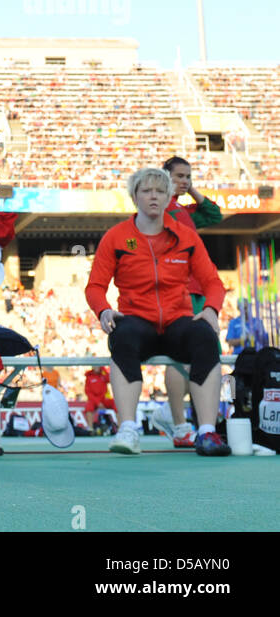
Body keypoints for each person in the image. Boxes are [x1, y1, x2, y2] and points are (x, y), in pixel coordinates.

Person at [85, 167, 230, 456]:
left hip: (178, 320)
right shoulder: (116, 238)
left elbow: (213, 282)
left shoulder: (186, 237)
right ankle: (127, 430)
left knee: (204, 336)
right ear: (135, 196)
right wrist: (103, 311)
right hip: (138, 321)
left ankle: (206, 432)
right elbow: (95, 287)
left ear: (168, 198)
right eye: (147, 191)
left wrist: (212, 309)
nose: (154, 196)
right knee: (122, 336)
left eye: (160, 191)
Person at [156, 156, 224, 444]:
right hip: (179, 287)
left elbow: (214, 215)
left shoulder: (181, 210)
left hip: (195, 287)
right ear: (164, 178)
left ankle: (181, 418)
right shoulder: (163, 209)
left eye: (188, 176)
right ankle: (179, 421)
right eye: (179, 176)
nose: (184, 181)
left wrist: (192, 190)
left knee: (198, 353)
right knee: (181, 354)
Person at [83, 366, 116, 432]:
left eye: (98, 365)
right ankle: (90, 428)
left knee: (116, 404)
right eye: (95, 366)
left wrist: (104, 370)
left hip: (104, 399)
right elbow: (88, 392)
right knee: (88, 406)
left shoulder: (103, 375)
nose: (97, 367)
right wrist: (98, 403)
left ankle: (121, 427)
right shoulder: (89, 377)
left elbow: (110, 380)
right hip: (94, 400)